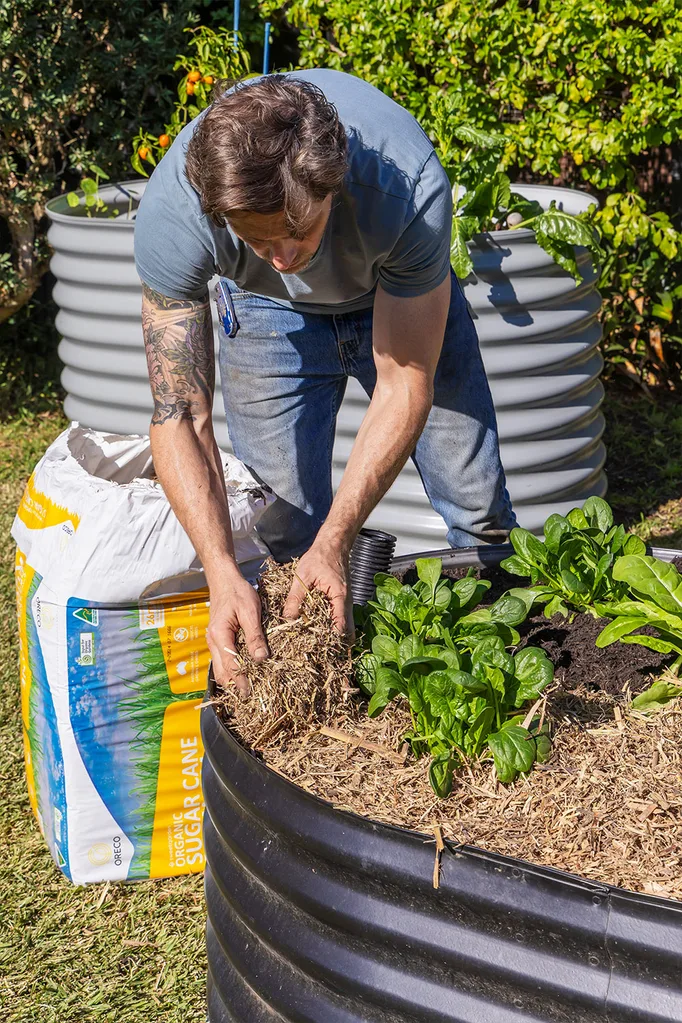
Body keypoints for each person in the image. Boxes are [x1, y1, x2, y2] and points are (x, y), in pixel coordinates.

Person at [134, 69, 516, 694]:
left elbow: (403, 386)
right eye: (258, 240)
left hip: (393, 291)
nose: (284, 259)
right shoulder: (175, 212)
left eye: (298, 232)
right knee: (285, 528)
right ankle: (318, 696)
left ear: (332, 189)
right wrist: (220, 569)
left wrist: (339, 539)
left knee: (477, 506)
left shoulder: (405, 189)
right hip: (261, 312)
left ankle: (505, 674)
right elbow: (177, 413)